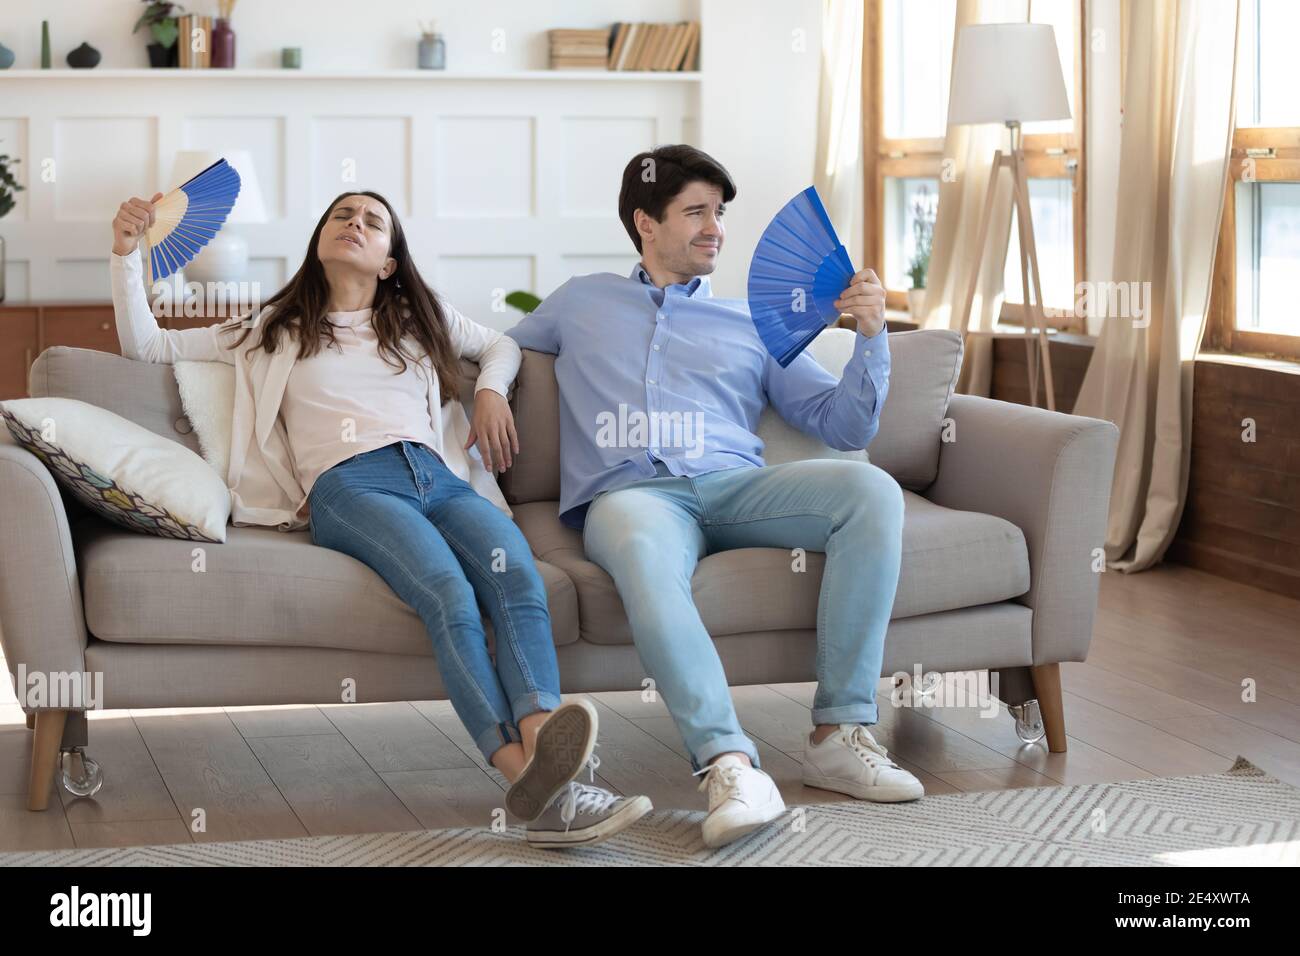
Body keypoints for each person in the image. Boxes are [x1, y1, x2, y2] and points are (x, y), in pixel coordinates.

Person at [108, 188, 651, 848]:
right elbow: (147, 346)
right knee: (448, 594)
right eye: (342, 216)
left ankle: (545, 755)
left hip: (440, 479)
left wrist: (487, 392)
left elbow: (502, 346)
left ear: (390, 261)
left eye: (372, 221)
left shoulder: (418, 321)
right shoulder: (269, 328)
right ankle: (521, 775)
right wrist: (126, 254)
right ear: (320, 240)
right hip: (351, 485)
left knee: (518, 581)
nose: (354, 224)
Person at [506, 145, 922, 849]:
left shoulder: (753, 323)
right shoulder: (580, 301)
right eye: (696, 212)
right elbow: (491, 349)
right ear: (646, 222)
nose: (716, 228)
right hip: (633, 496)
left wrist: (871, 339)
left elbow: (842, 424)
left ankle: (838, 736)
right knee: (640, 550)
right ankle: (729, 765)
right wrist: (489, 387)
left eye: (719, 213)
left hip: (737, 486)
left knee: (871, 491)